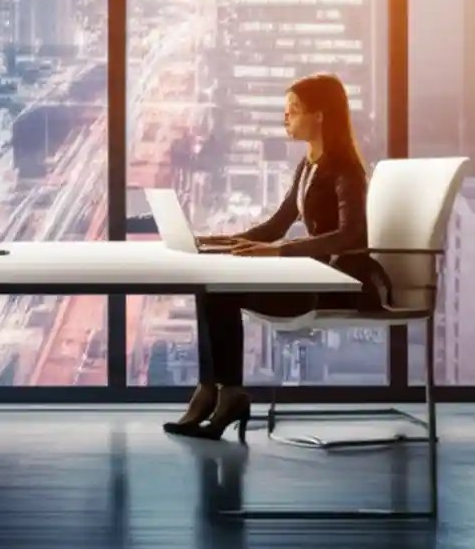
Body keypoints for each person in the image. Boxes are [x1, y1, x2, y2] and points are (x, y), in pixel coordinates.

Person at [164, 72, 390, 442]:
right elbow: (276, 226)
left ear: (320, 115)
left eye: (294, 110)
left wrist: (282, 251)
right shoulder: (308, 166)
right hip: (315, 277)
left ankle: (229, 394)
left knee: (221, 292)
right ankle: (212, 390)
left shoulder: (345, 169)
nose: (286, 118)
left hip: (342, 283)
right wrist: (220, 241)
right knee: (210, 289)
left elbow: (351, 234)